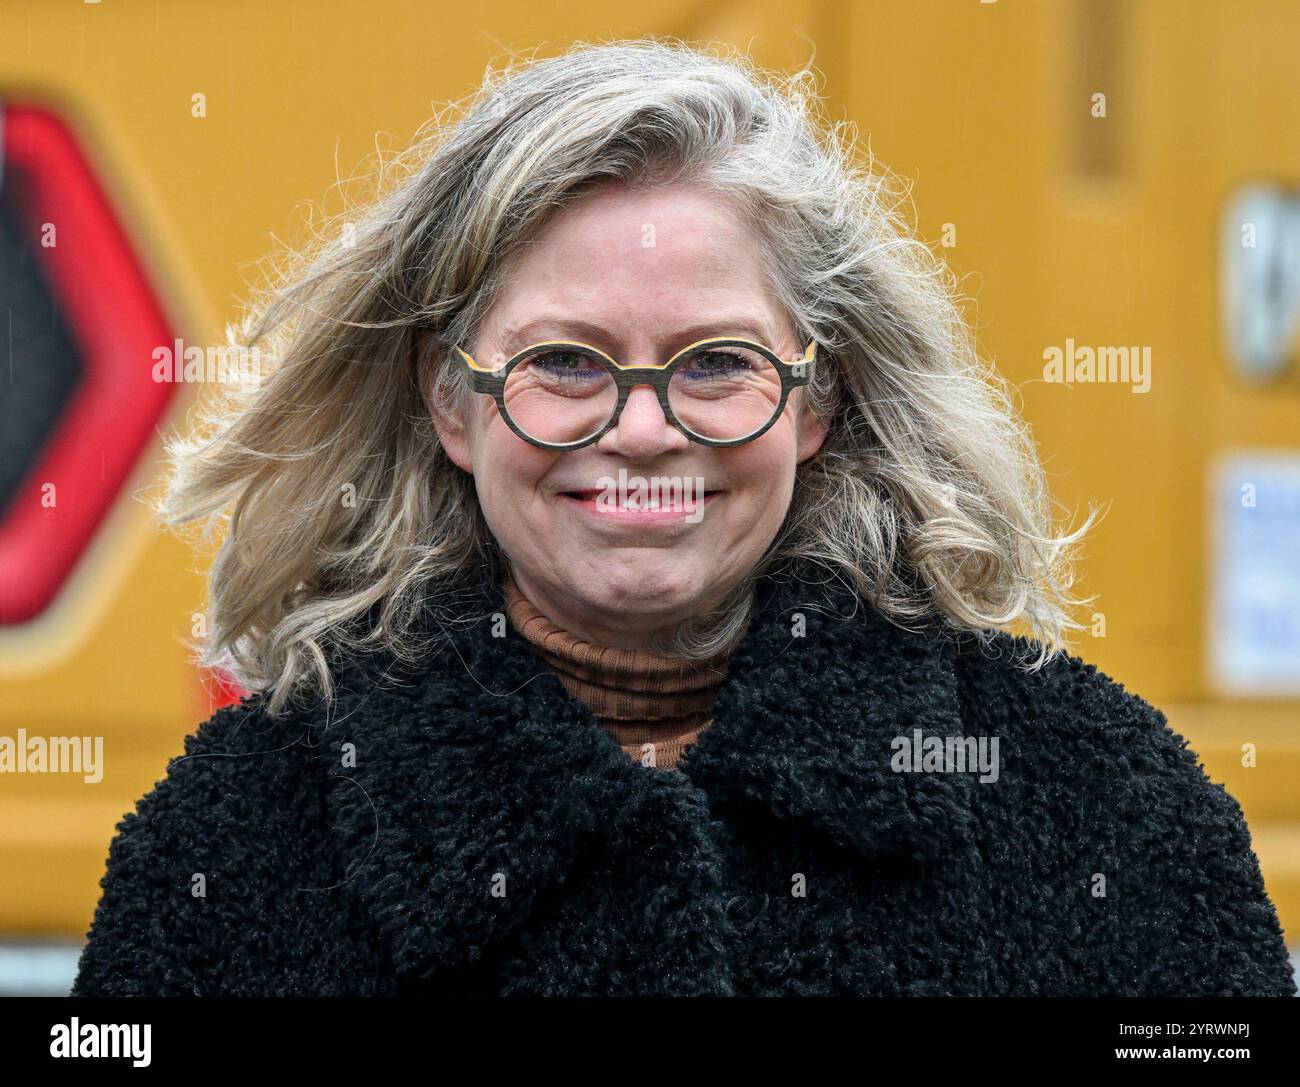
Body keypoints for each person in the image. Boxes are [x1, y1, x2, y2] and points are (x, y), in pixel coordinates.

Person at [70, 38, 1295, 997]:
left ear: (818, 400)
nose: (644, 429)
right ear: (451, 402)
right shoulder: (237, 837)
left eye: (714, 363)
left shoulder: (1104, 804)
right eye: (566, 362)